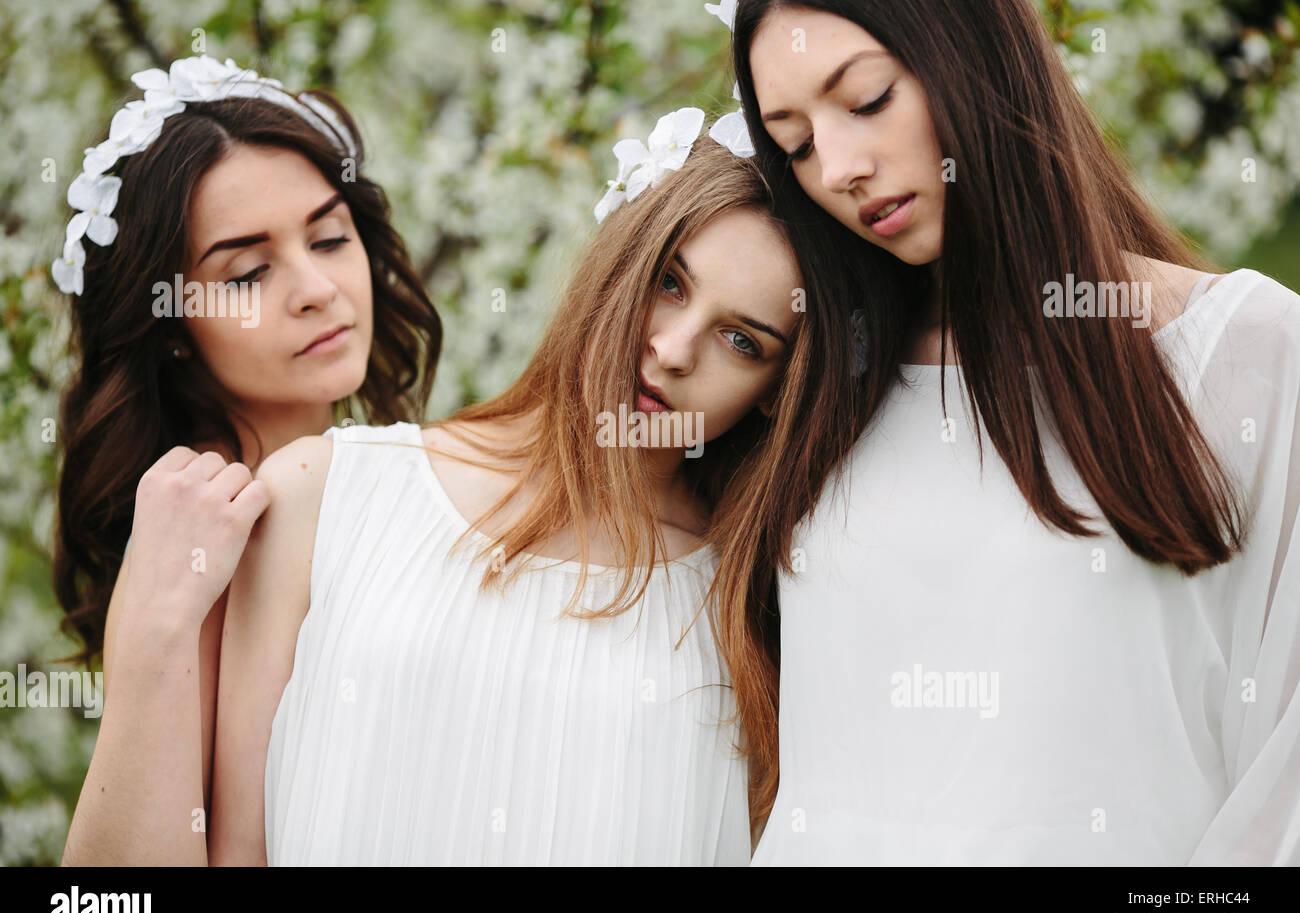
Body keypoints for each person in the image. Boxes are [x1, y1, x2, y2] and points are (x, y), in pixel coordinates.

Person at [725, 0, 1300, 864]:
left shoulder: (1241, 350)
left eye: (869, 98)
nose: (836, 167)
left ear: (979, 53)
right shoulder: (814, 382)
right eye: (796, 145)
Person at [207, 121, 860, 864]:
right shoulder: (325, 493)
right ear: (619, 264)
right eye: (668, 283)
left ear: (777, 393)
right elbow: (237, 851)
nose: (674, 351)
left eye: (742, 341)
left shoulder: (749, 614)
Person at [53, 55, 442, 866]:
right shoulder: (208, 533)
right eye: (248, 272)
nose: (316, 288)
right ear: (166, 324)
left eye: (331, 237)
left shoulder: (380, 481)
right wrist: (156, 629)